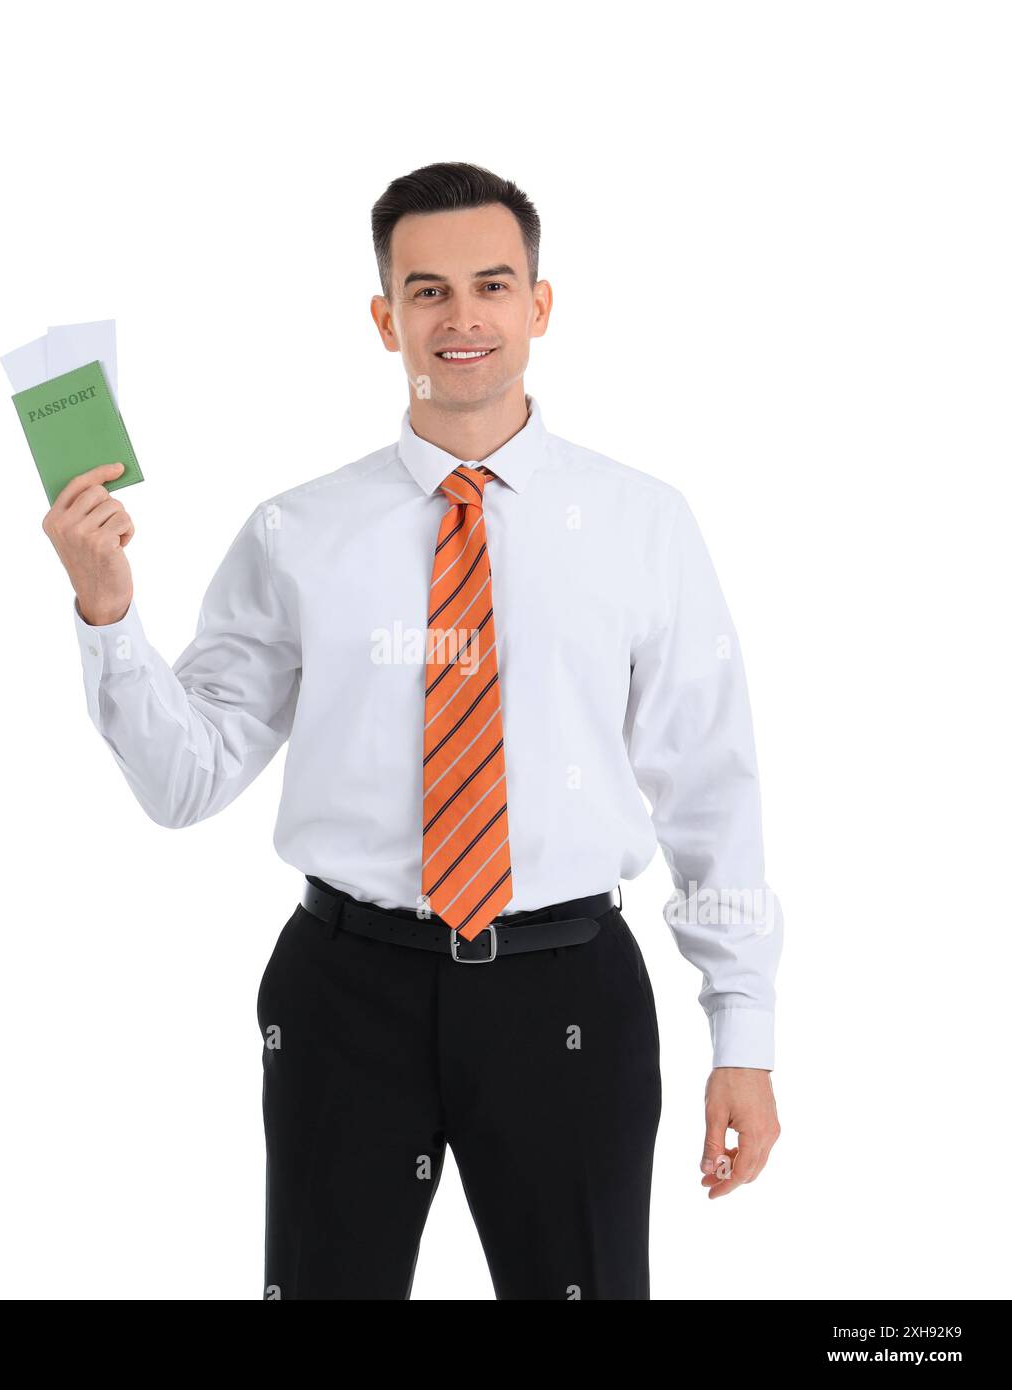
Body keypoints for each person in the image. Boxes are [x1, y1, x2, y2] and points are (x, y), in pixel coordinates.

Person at [42, 161, 782, 1300]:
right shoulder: (298, 532)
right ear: (386, 319)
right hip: (347, 994)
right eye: (427, 292)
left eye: (491, 284)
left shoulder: (642, 524)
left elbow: (710, 788)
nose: (462, 317)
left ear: (539, 306)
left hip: (567, 988)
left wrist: (743, 1032)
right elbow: (185, 780)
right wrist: (108, 608)